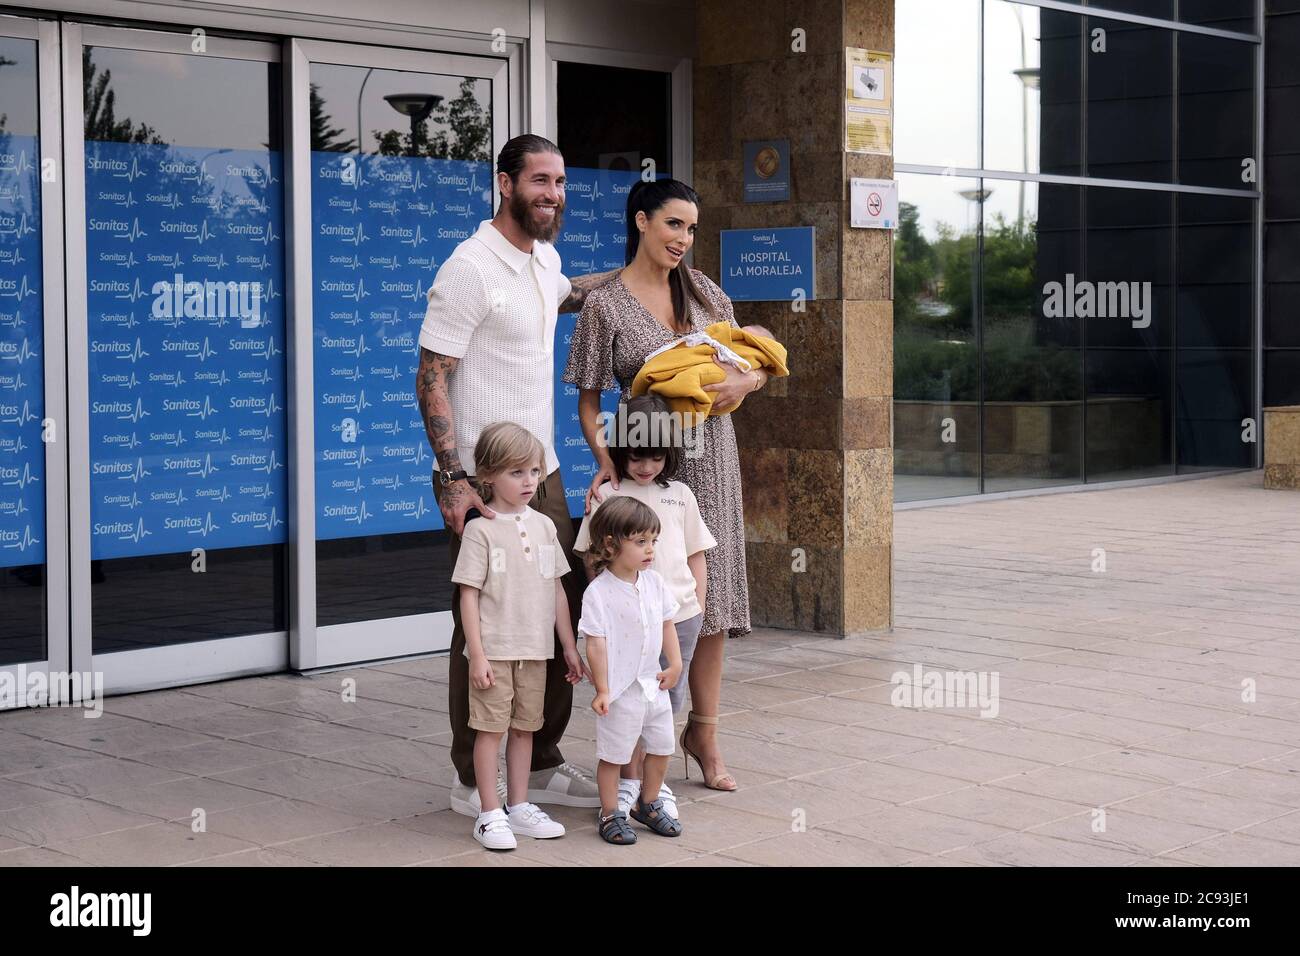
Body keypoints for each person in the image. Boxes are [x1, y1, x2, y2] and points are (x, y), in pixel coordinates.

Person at [416, 133, 618, 815]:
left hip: (545, 471)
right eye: (539, 181)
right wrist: (453, 477)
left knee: (556, 609)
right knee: (484, 621)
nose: (552, 194)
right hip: (484, 475)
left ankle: (537, 762)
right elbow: (431, 376)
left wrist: (643, 274)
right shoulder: (469, 267)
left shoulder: (542, 260)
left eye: (560, 182)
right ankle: (472, 779)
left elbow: (564, 296)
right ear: (505, 184)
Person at [565, 178, 771, 793]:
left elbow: (751, 356)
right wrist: (605, 460)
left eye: (691, 228)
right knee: (644, 602)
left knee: (706, 603)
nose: (683, 238)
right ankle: (640, 738)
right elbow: (588, 400)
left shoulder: (703, 290)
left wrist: (747, 383)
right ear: (641, 222)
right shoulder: (605, 304)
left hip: (712, 461)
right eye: (674, 224)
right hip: (645, 464)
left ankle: (702, 732)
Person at [573, 394, 715, 819]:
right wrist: (609, 607)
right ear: (619, 449)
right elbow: (590, 555)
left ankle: (653, 785)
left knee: (665, 703)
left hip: (678, 617)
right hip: (625, 624)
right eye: (636, 457)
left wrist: (699, 607)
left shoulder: (681, 494)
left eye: (654, 457)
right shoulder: (607, 495)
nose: (645, 466)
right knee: (626, 701)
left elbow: (696, 554)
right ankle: (630, 785)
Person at [452, 423, 585, 850]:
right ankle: (490, 813)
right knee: (489, 731)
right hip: (496, 650)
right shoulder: (480, 530)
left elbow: (557, 590)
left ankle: (520, 806)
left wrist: (568, 646)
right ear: (487, 475)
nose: (529, 482)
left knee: (526, 728)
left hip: (536, 651)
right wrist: (477, 653)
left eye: (534, 471)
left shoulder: (546, 526)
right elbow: (468, 596)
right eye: (516, 473)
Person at [579, 496, 683, 845]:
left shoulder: (653, 582)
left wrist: (676, 662)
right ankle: (610, 813)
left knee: (662, 746)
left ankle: (648, 802)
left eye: (653, 541)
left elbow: (667, 623)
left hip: (652, 684)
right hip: (622, 690)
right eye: (640, 542)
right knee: (614, 754)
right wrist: (603, 689)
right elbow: (595, 643)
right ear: (611, 543)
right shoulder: (598, 593)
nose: (650, 549)